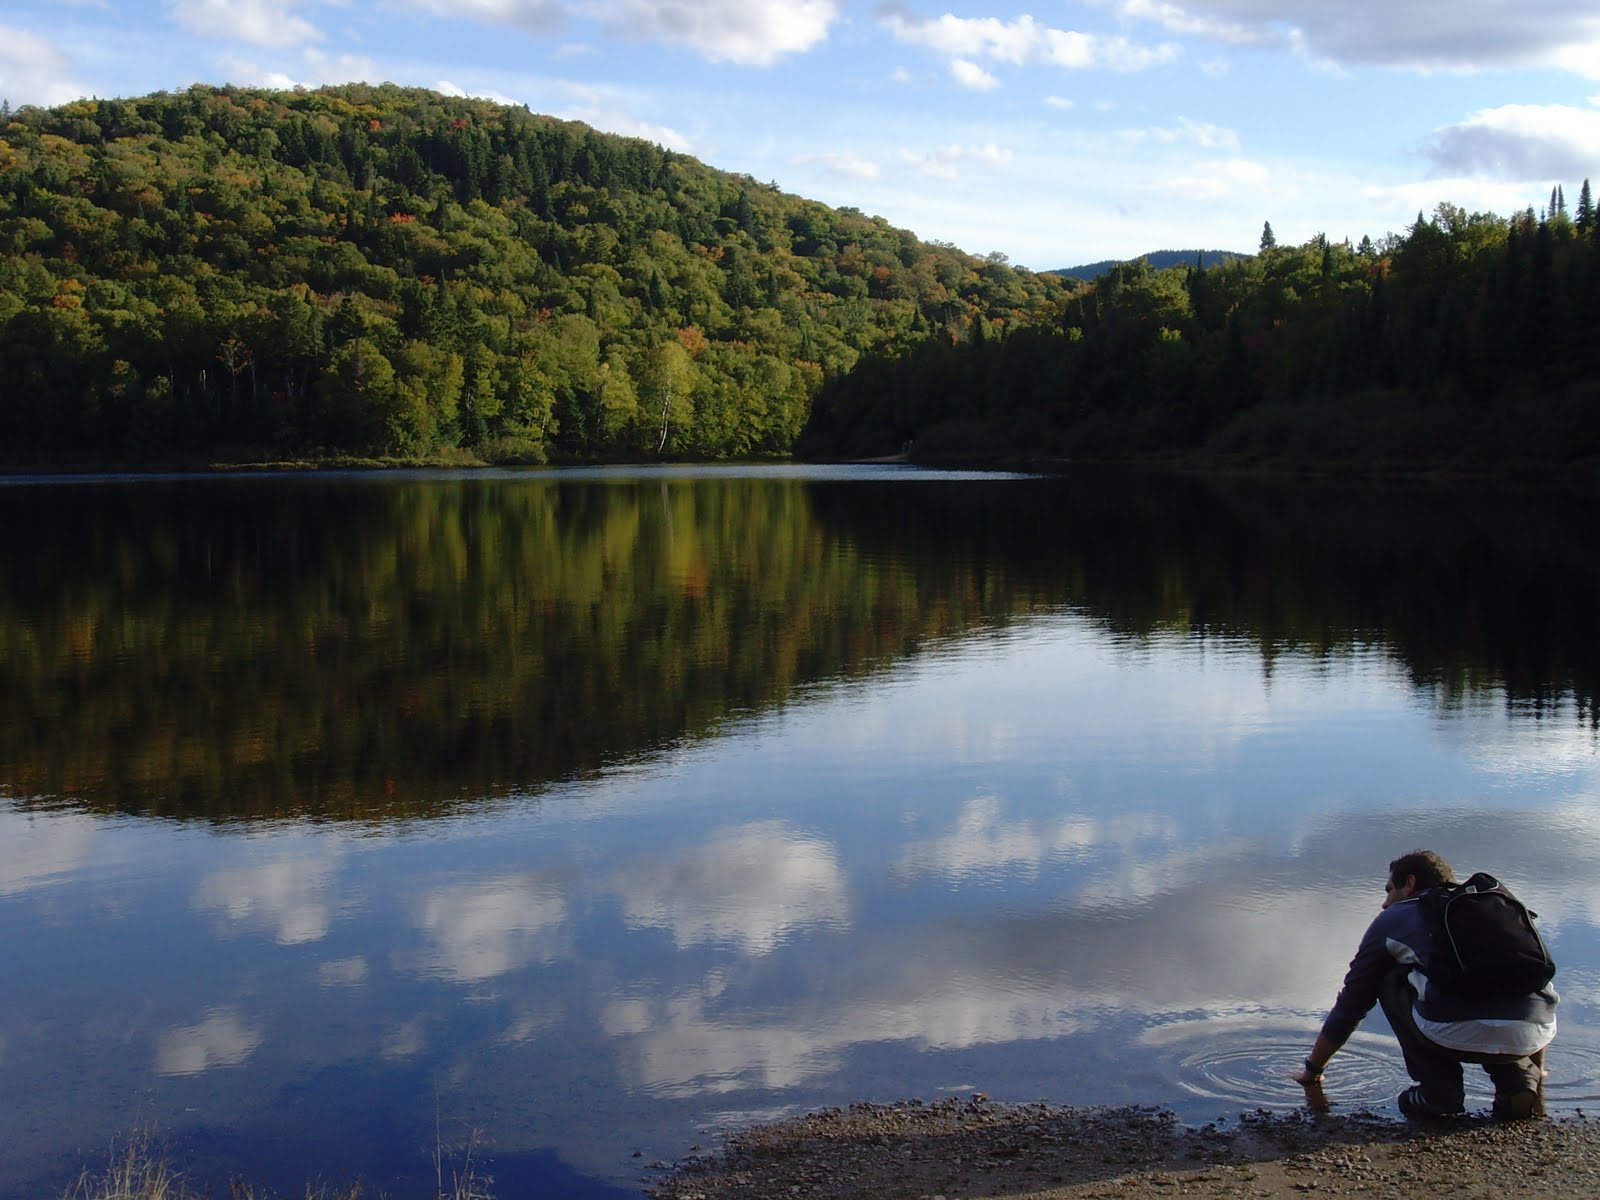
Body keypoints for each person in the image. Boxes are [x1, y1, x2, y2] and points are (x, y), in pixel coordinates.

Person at [1292, 849, 1557, 1120]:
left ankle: (1438, 1093)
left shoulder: (1396, 918)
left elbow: (1353, 1001)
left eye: (1388, 890)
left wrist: (1313, 1070)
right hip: (1534, 1031)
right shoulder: (1498, 910)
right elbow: (1538, 982)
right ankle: (1520, 1081)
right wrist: (1538, 1066)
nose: (1385, 903)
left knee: (1386, 977)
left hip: (1452, 1031)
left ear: (1410, 883)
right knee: (1497, 991)